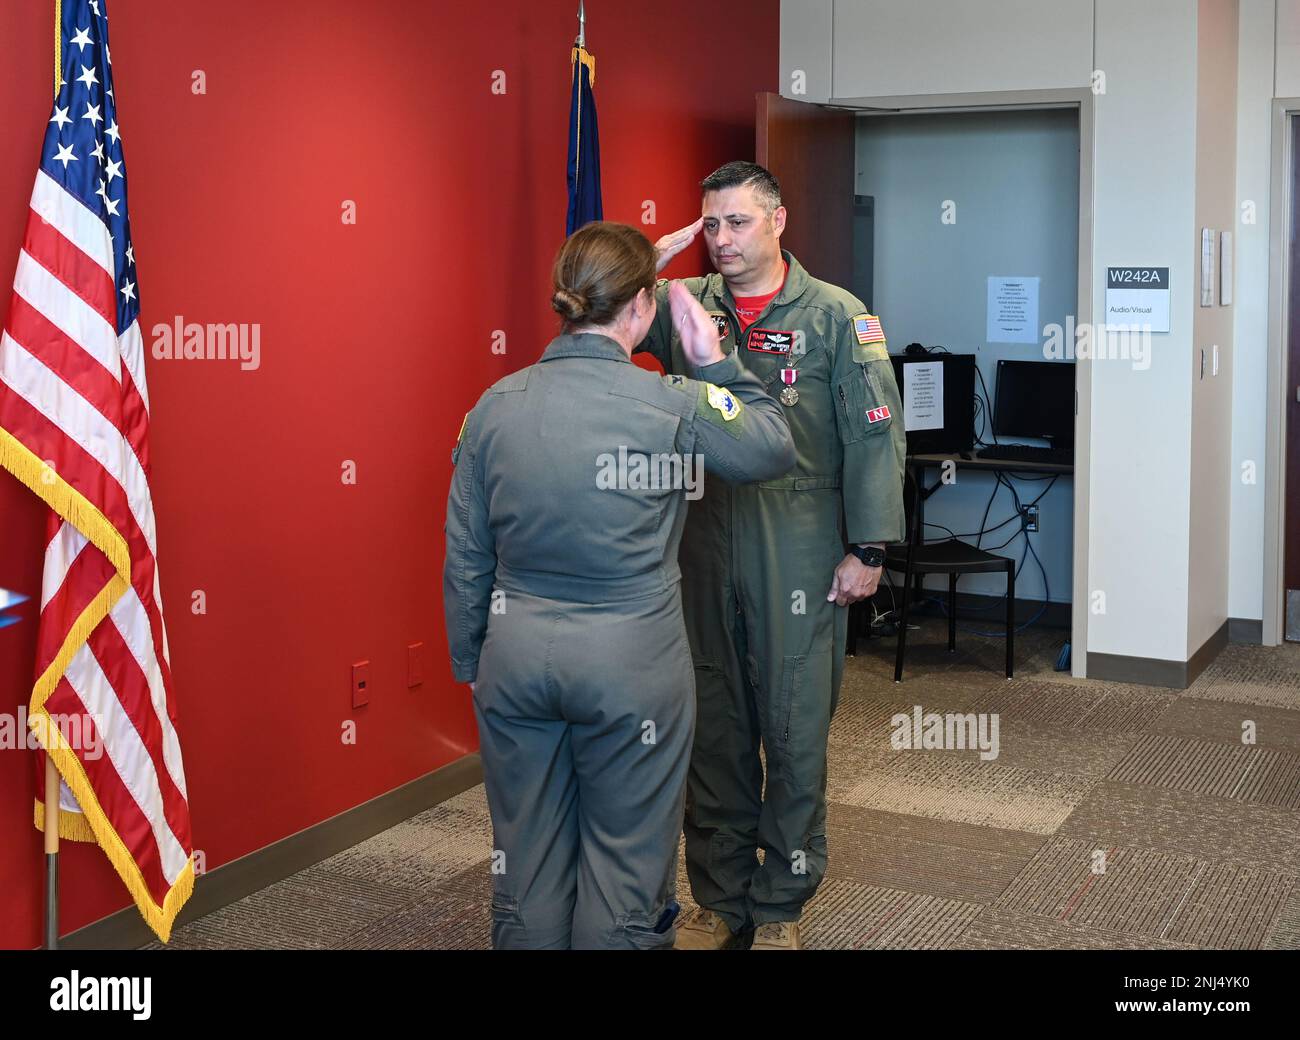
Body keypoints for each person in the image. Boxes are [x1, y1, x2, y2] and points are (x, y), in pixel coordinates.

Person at [442, 220, 795, 949]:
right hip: (631, 667)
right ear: (642, 309)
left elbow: (466, 556)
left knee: (526, 864)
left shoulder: (493, 407)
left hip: (514, 660)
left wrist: (470, 661)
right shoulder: (671, 404)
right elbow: (771, 446)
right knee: (625, 863)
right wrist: (715, 362)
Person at [637, 162, 907, 950]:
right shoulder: (684, 303)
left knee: (792, 732)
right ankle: (719, 899)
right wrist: (651, 260)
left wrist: (869, 548)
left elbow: (874, 434)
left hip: (799, 542)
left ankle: (782, 902)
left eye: (738, 222)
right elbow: (601, 311)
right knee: (713, 725)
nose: (721, 239)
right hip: (704, 537)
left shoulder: (835, 316)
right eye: (710, 224)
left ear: (778, 220)